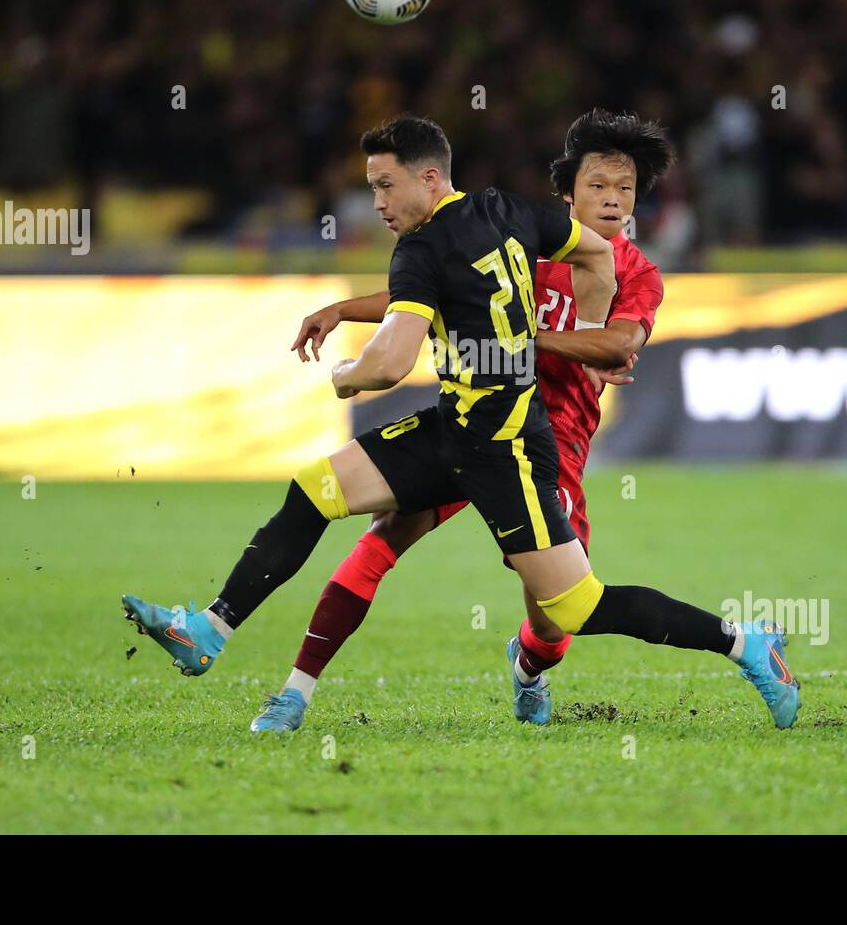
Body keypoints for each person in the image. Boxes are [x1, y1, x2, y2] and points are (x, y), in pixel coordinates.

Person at [122, 114, 800, 733]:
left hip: (528, 446)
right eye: (599, 184)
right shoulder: (515, 226)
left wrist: (512, 342)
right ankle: (234, 648)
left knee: (565, 612)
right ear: (570, 191)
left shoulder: (626, 268)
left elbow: (613, 344)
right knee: (326, 499)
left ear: (426, 177)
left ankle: (736, 644)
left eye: (625, 187)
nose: (614, 198)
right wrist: (344, 308)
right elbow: (428, 291)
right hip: (457, 424)